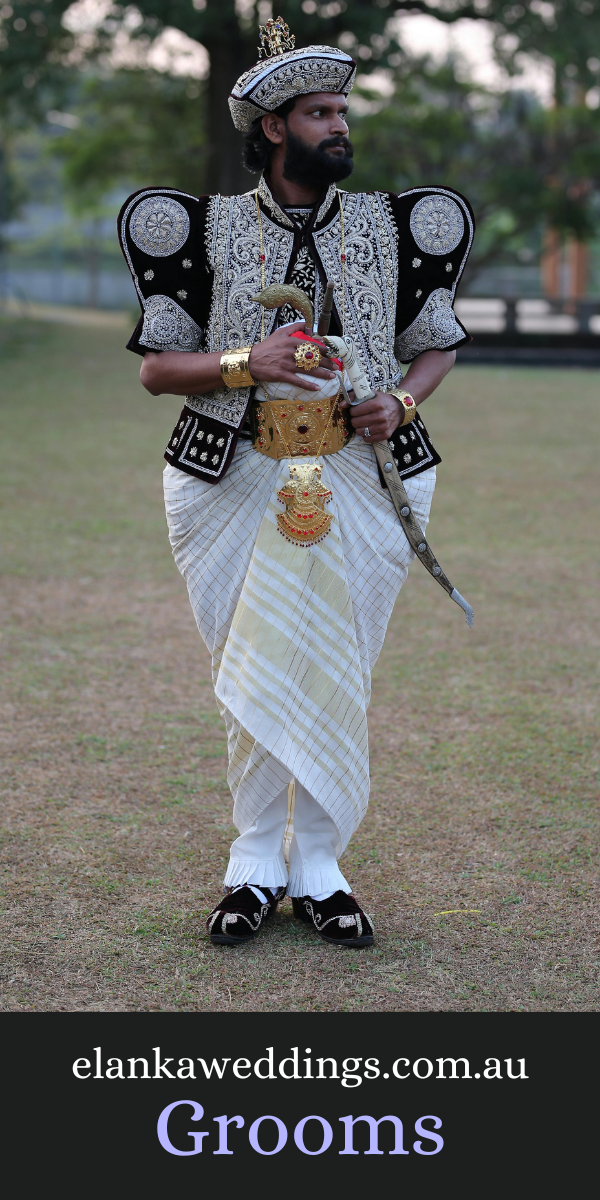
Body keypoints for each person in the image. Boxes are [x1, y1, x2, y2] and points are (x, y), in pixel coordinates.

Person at [118, 18, 474, 950]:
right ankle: (251, 865)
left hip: (365, 476)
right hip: (228, 475)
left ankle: (320, 868)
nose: (339, 127)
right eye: (319, 114)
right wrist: (248, 359)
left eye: (342, 111)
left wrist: (398, 399)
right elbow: (159, 370)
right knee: (252, 668)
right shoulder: (201, 226)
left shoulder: (397, 224)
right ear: (274, 128)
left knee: (331, 668)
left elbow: (432, 348)